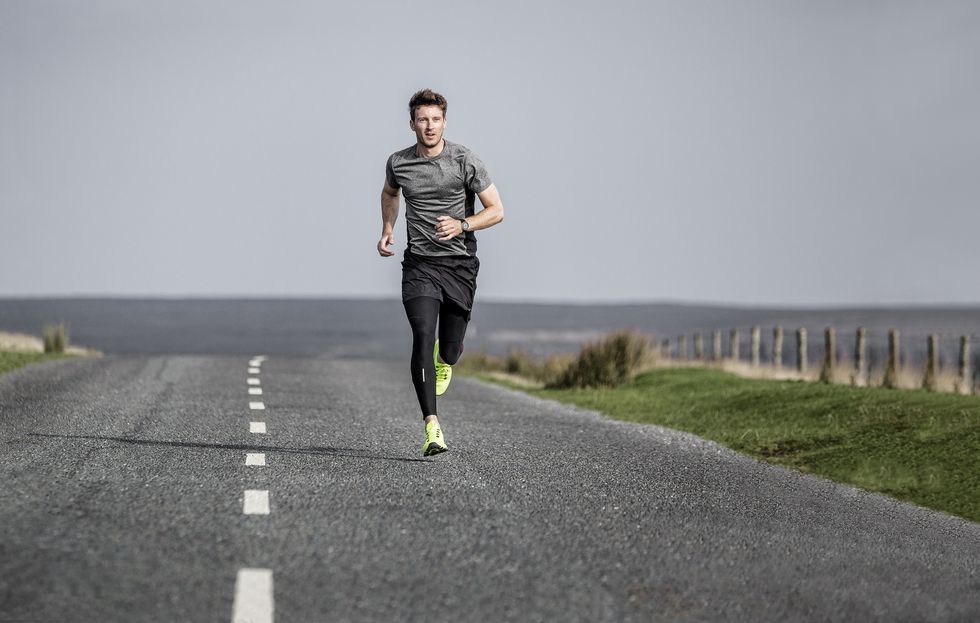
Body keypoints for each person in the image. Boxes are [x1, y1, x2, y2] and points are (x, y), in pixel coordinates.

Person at [377, 88, 504, 456]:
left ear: (444, 122)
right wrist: (388, 228)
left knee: (448, 348)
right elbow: (389, 193)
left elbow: (496, 210)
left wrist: (463, 225)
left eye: (435, 120)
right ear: (412, 123)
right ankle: (432, 427)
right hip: (420, 264)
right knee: (421, 333)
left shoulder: (465, 161)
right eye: (422, 120)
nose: (429, 126)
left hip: (459, 265)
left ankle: (445, 360)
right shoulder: (399, 163)